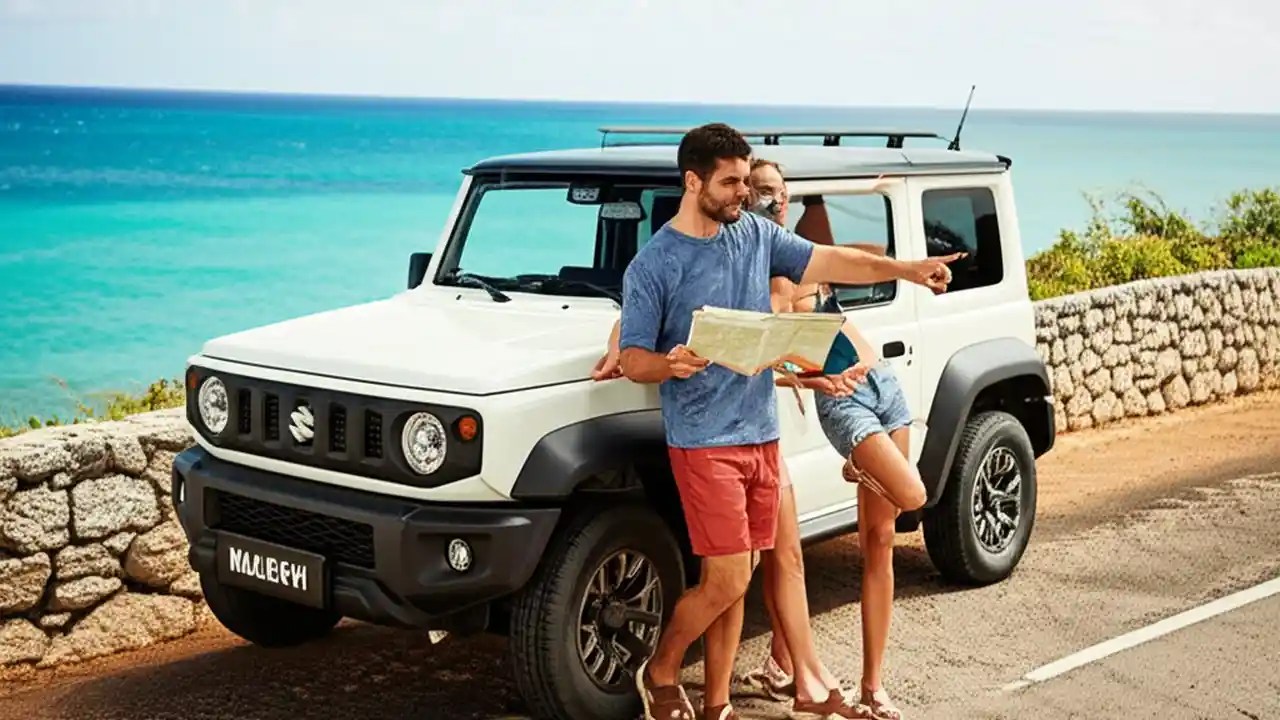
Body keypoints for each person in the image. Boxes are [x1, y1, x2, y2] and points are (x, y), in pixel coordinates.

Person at [613, 123, 959, 720]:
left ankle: (715, 702)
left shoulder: (752, 234)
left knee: (738, 580)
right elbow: (631, 359)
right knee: (725, 580)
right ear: (693, 181)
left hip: (762, 437)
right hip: (704, 443)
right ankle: (662, 667)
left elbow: (830, 259)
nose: (744, 193)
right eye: (731, 182)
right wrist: (669, 365)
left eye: (748, 180)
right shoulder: (654, 265)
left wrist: (905, 270)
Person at [752, 158, 930, 720]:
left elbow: (864, 251)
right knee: (912, 495)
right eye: (760, 192)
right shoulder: (760, 273)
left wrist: (856, 191)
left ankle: (871, 686)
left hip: (883, 386)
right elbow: (766, 354)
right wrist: (809, 379)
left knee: (880, 542)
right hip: (841, 399)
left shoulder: (807, 249)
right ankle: (861, 466)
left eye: (780, 193)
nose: (773, 200)